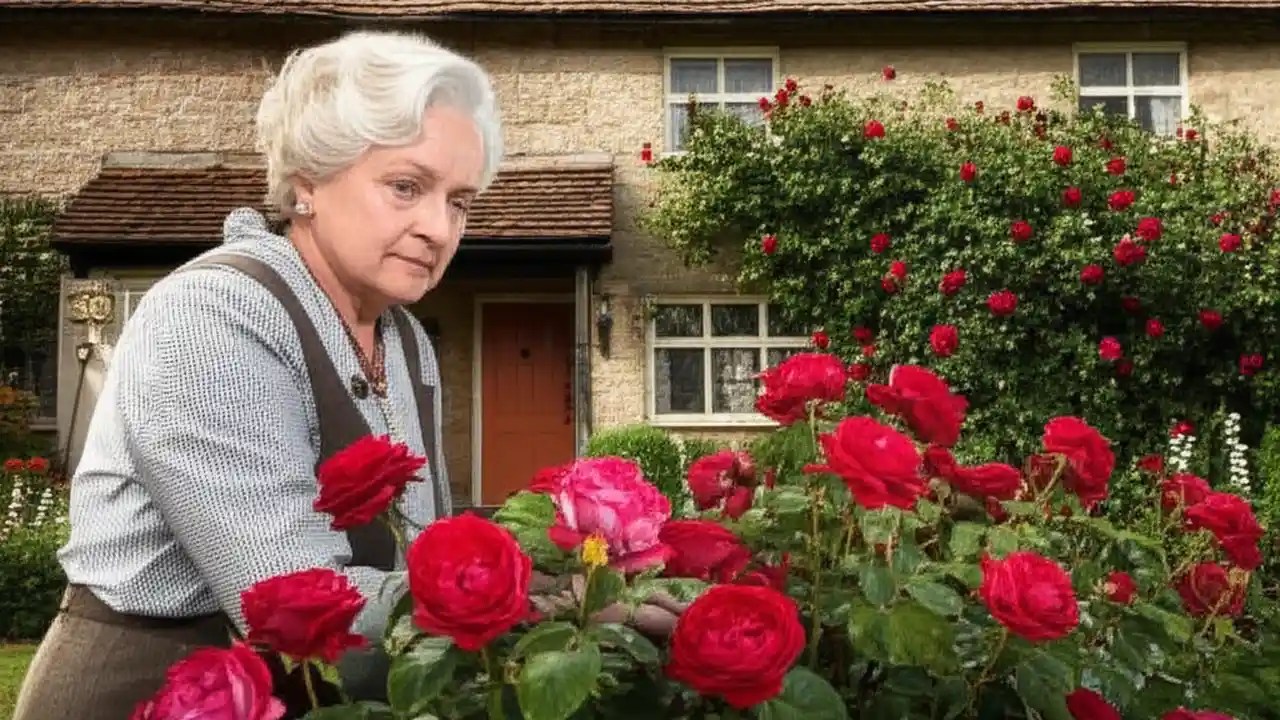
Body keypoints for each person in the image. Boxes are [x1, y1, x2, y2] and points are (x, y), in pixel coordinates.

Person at [13, 29, 681, 720]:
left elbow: (422, 550)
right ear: (307, 183)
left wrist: (589, 570)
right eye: (405, 187)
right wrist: (547, 605)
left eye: (459, 201)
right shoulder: (213, 316)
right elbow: (286, 596)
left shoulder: (405, 338)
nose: (439, 229)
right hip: (153, 690)